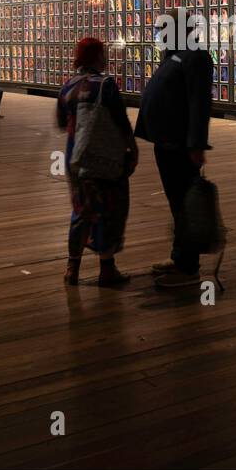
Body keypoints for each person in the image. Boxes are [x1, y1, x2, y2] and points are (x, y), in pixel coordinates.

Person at [135, 10, 214, 288]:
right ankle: (180, 256)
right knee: (177, 204)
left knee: (185, 205)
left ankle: (188, 268)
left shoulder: (196, 56)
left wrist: (195, 144)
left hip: (181, 145)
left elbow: (198, 103)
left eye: (164, 28)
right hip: (166, 142)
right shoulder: (176, 54)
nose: (160, 34)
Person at [56, 37, 138, 287]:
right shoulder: (106, 85)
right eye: (102, 53)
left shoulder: (68, 86)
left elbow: (61, 123)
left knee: (81, 210)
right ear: (96, 57)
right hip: (104, 158)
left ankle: (73, 268)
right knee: (110, 209)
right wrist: (131, 147)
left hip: (75, 158)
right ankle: (107, 268)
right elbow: (121, 121)